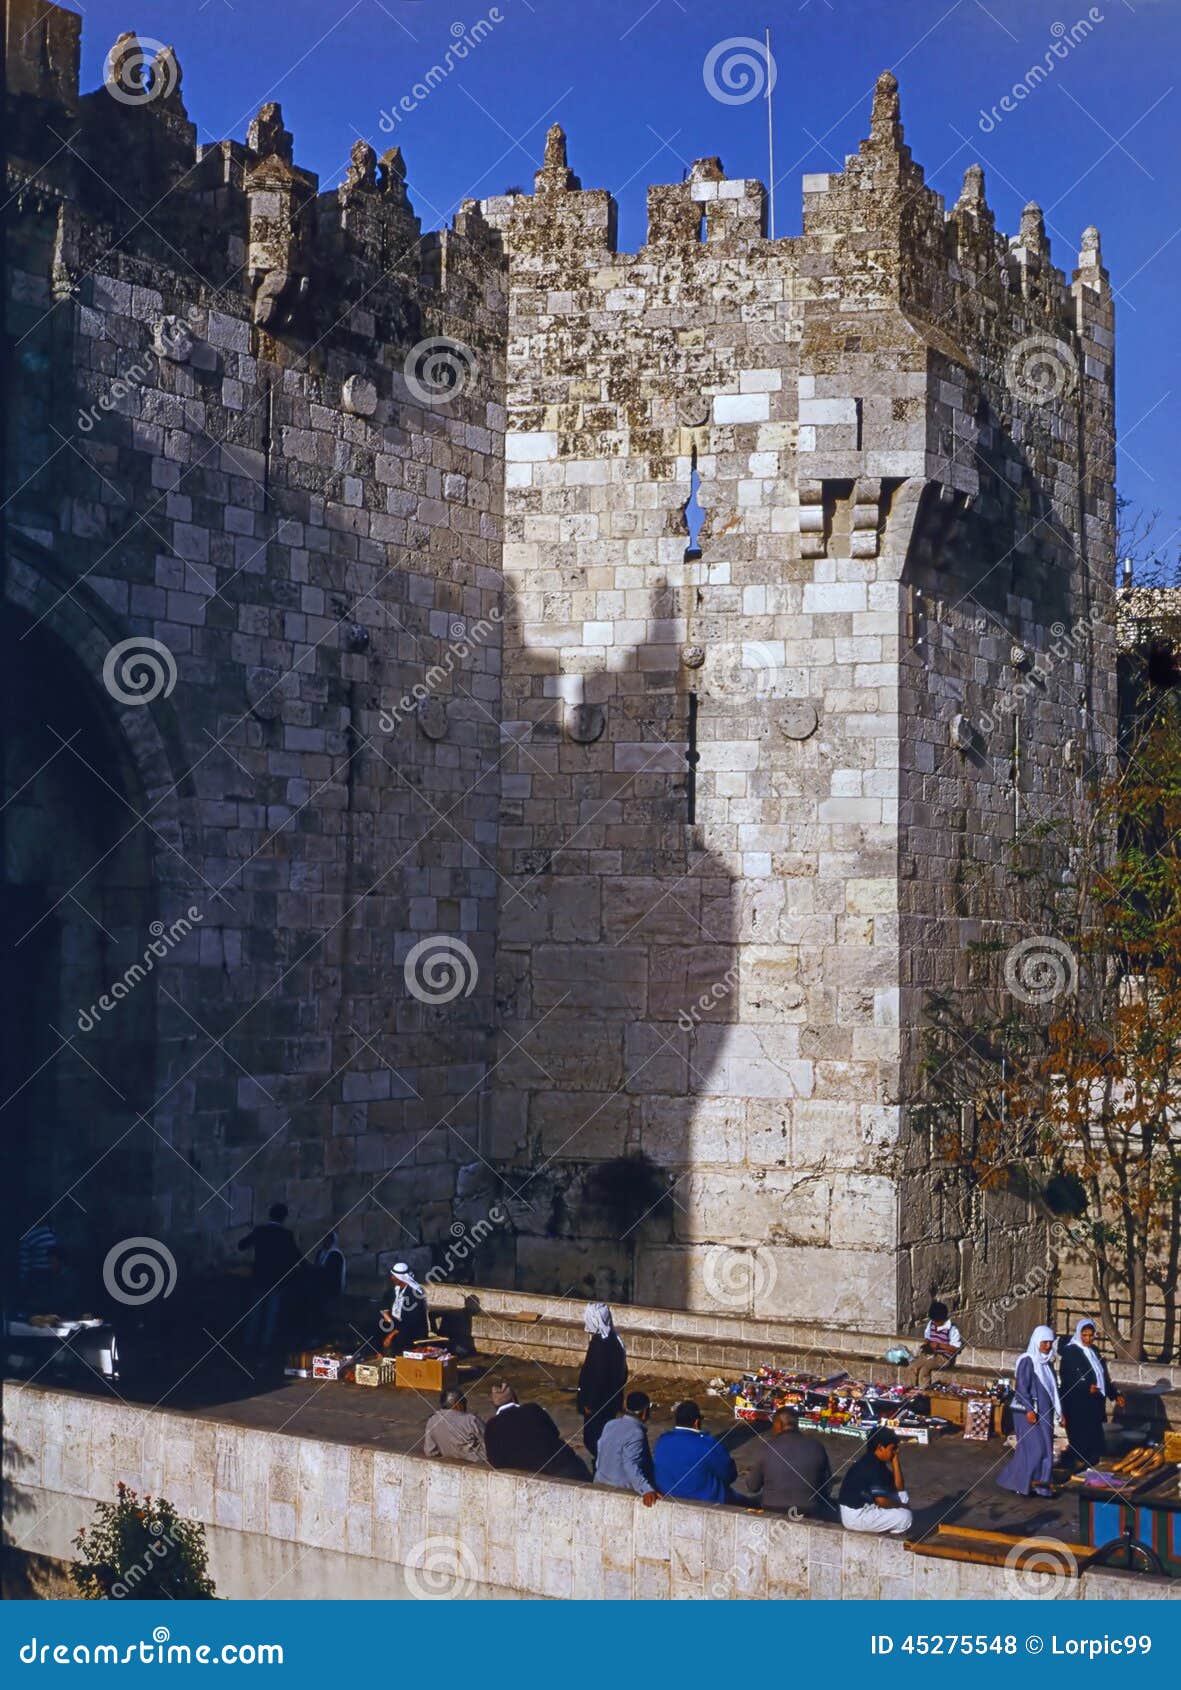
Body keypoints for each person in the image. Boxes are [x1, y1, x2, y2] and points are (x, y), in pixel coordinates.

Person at [996, 1324, 1060, 1498]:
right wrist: (1030, 1410)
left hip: (1045, 1413)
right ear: (1037, 1341)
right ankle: (1017, 1481)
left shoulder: (1047, 1364)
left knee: (1046, 1449)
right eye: (1044, 1342)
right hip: (1027, 1413)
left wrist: (1061, 1413)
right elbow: (1022, 1388)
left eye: (1050, 1343)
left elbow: (1053, 1390)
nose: (1047, 1346)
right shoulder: (1028, 1361)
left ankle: (1040, 1484)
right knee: (1035, 1449)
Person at [238, 1204, 301, 1375]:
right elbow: (297, 1256)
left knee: (255, 1316)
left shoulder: (260, 1231)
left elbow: (242, 1245)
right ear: (284, 1217)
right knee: (270, 1318)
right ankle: (263, 1352)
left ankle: (247, 1349)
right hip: (276, 1282)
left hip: (259, 1279)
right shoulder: (286, 1235)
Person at [483, 1382, 589, 1481]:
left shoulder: (491, 1427)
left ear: (494, 1406)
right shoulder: (532, 1409)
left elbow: (496, 1462)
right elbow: (555, 1432)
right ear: (515, 1399)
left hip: (530, 1479)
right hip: (567, 1468)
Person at [1059, 1316, 1124, 1469]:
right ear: (1079, 1334)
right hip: (1077, 1404)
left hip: (1093, 1404)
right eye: (1084, 1335)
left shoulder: (1094, 1350)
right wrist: (1085, 1387)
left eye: (1091, 1335)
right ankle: (1074, 1470)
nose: (1088, 1339)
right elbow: (1067, 1377)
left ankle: (1089, 1471)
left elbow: (1102, 1375)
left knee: (1094, 1441)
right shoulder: (1071, 1351)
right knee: (1080, 1440)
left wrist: (1114, 1395)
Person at [741, 1407, 831, 1517]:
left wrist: (751, 1474)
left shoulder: (766, 1448)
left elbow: (753, 1487)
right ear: (796, 1424)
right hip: (809, 1508)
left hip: (773, 1508)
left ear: (778, 1424)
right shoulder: (816, 1446)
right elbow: (826, 1485)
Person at [652, 1400, 737, 1505]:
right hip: (705, 1502)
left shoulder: (662, 1440)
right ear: (696, 1422)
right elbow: (729, 1474)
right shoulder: (707, 1444)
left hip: (667, 1497)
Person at [576, 1302, 628, 1461]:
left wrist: (589, 1402)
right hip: (610, 1400)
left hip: (598, 1403)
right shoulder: (614, 1340)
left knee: (593, 1438)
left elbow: (596, 1378)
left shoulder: (599, 1346)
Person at [838, 1427, 912, 1535]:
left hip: (866, 1507)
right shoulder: (872, 1466)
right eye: (893, 1449)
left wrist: (895, 1460)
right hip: (856, 1516)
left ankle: (887, 1526)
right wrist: (900, 1506)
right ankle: (891, 1532)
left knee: (902, 1496)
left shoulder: (875, 1461)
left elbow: (899, 1488)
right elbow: (881, 1501)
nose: (896, 1451)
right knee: (906, 1517)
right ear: (880, 1447)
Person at [593, 1391, 659, 1505]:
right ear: (644, 1412)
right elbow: (630, 1464)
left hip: (599, 1481)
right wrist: (646, 1489)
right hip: (619, 1489)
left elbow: (600, 1451)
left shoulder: (610, 1424)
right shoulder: (636, 1433)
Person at [371, 1262, 429, 1357]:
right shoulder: (396, 1289)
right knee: (375, 1324)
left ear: (401, 1278)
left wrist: (391, 1335)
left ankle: (393, 1358)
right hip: (396, 1323)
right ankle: (379, 1354)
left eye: (394, 1276)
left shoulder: (414, 1294)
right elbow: (385, 1300)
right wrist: (386, 1313)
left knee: (397, 1338)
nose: (392, 1278)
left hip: (411, 1329)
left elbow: (410, 1321)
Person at [907, 1300, 964, 1391]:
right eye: (934, 1321)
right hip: (929, 1354)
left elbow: (956, 1349)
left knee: (924, 1370)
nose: (935, 1323)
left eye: (937, 1321)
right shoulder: (931, 1324)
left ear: (943, 1319)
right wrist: (926, 1344)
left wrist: (939, 1346)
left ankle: (923, 1392)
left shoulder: (952, 1329)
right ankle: (910, 1390)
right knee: (912, 1367)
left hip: (942, 1357)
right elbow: (928, 1337)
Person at [423, 1388, 487, 1464]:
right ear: (458, 1404)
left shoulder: (432, 1420)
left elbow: (430, 1451)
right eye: (464, 1402)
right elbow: (490, 1442)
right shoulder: (471, 1420)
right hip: (477, 1463)